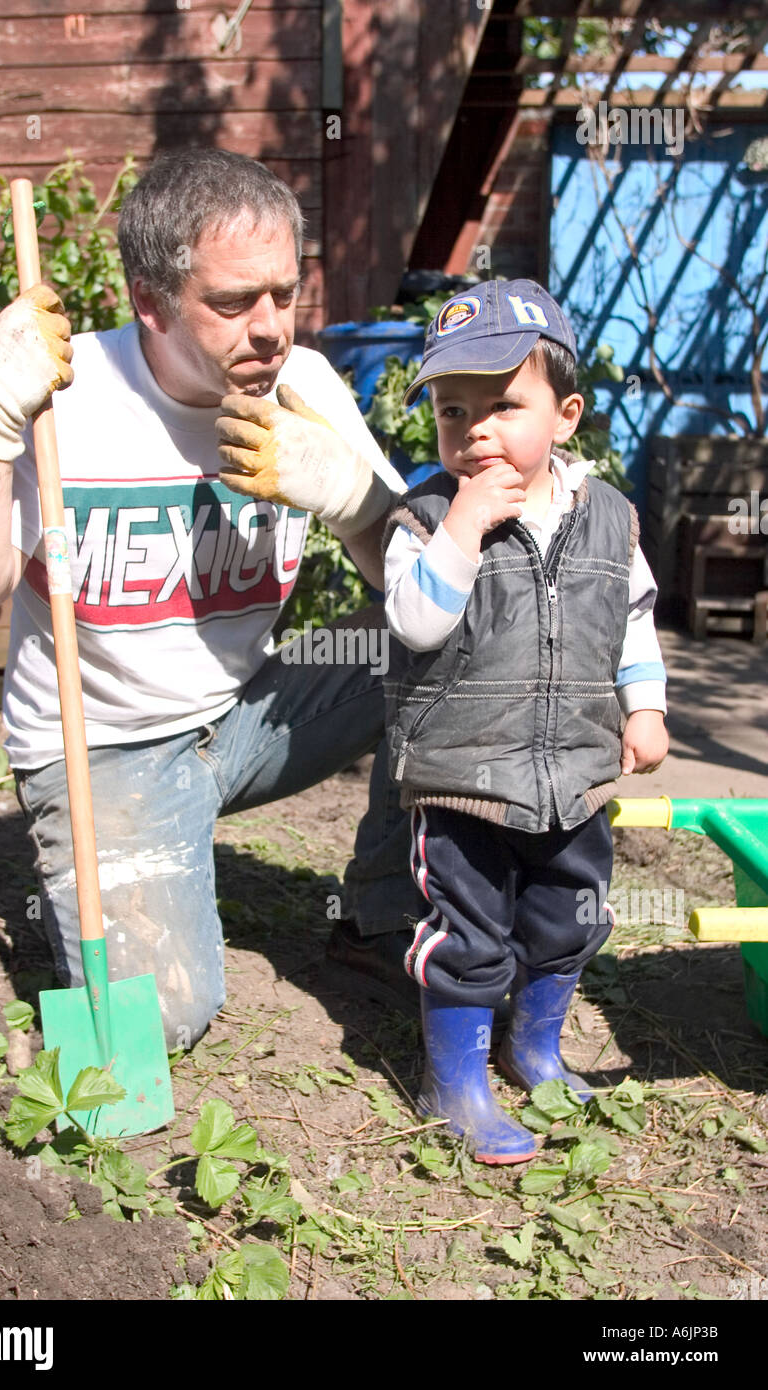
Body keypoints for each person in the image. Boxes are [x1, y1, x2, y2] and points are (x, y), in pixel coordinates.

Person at [0, 147, 422, 1048]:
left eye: (284, 293)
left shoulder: (302, 388)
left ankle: (379, 921)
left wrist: (356, 501)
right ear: (149, 302)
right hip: (103, 750)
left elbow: (427, 584)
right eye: (232, 303)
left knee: (441, 639)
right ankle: (89, 865)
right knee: (163, 1020)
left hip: (246, 719)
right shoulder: (62, 404)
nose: (269, 328)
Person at [382, 280, 669, 1164]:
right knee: (466, 931)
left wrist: (645, 705)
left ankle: (535, 1045)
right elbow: (416, 622)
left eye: (504, 404)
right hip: (465, 782)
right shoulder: (428, 515)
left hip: (574, 779)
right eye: (452, 408)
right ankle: (455, 1082)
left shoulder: (610, 520)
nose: (476, 429)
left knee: (567, 917)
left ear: (566, 414)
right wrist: (462, 529)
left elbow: (632, 618)